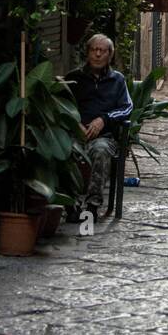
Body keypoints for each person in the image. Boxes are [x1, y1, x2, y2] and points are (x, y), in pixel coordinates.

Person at [65, 34, 133, 220]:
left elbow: (127, 107)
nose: (97, 54)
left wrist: (104, 119)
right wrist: (75, 123)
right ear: (87, 53)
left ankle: (92, 206)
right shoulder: (73, 78)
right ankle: (71, 205)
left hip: (105, 137)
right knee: (64, 149)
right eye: (93, 50)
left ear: (109, 55)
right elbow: (61, 106)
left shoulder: (117, 80)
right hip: (75, 135)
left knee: (101, 150)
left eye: (102, 51)